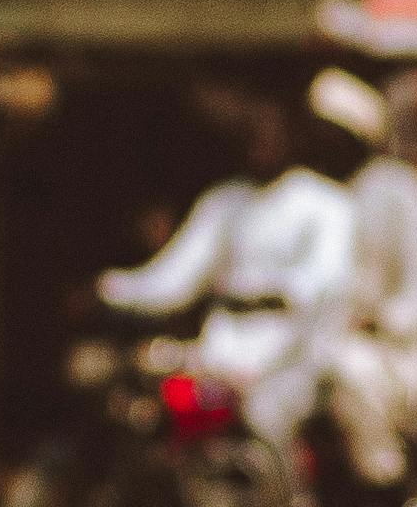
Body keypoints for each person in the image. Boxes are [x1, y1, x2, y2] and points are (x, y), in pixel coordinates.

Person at [95, 90, 357, 451]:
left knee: (263, 421)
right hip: (223, 345)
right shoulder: (226, 202)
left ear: (292, 139)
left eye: (269, 136)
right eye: (251, 136)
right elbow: (178, 272)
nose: (259, 146)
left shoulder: (325, 203)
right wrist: (116, 289)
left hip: (291, 350)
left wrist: (277, 294)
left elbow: (327, 276)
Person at [303, 65, 417, 491]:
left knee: (348, 368)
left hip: (389, 356)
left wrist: (376, 320)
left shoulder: (401, 190)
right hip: (319, 339)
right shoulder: (321, 195)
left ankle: (384, 485)